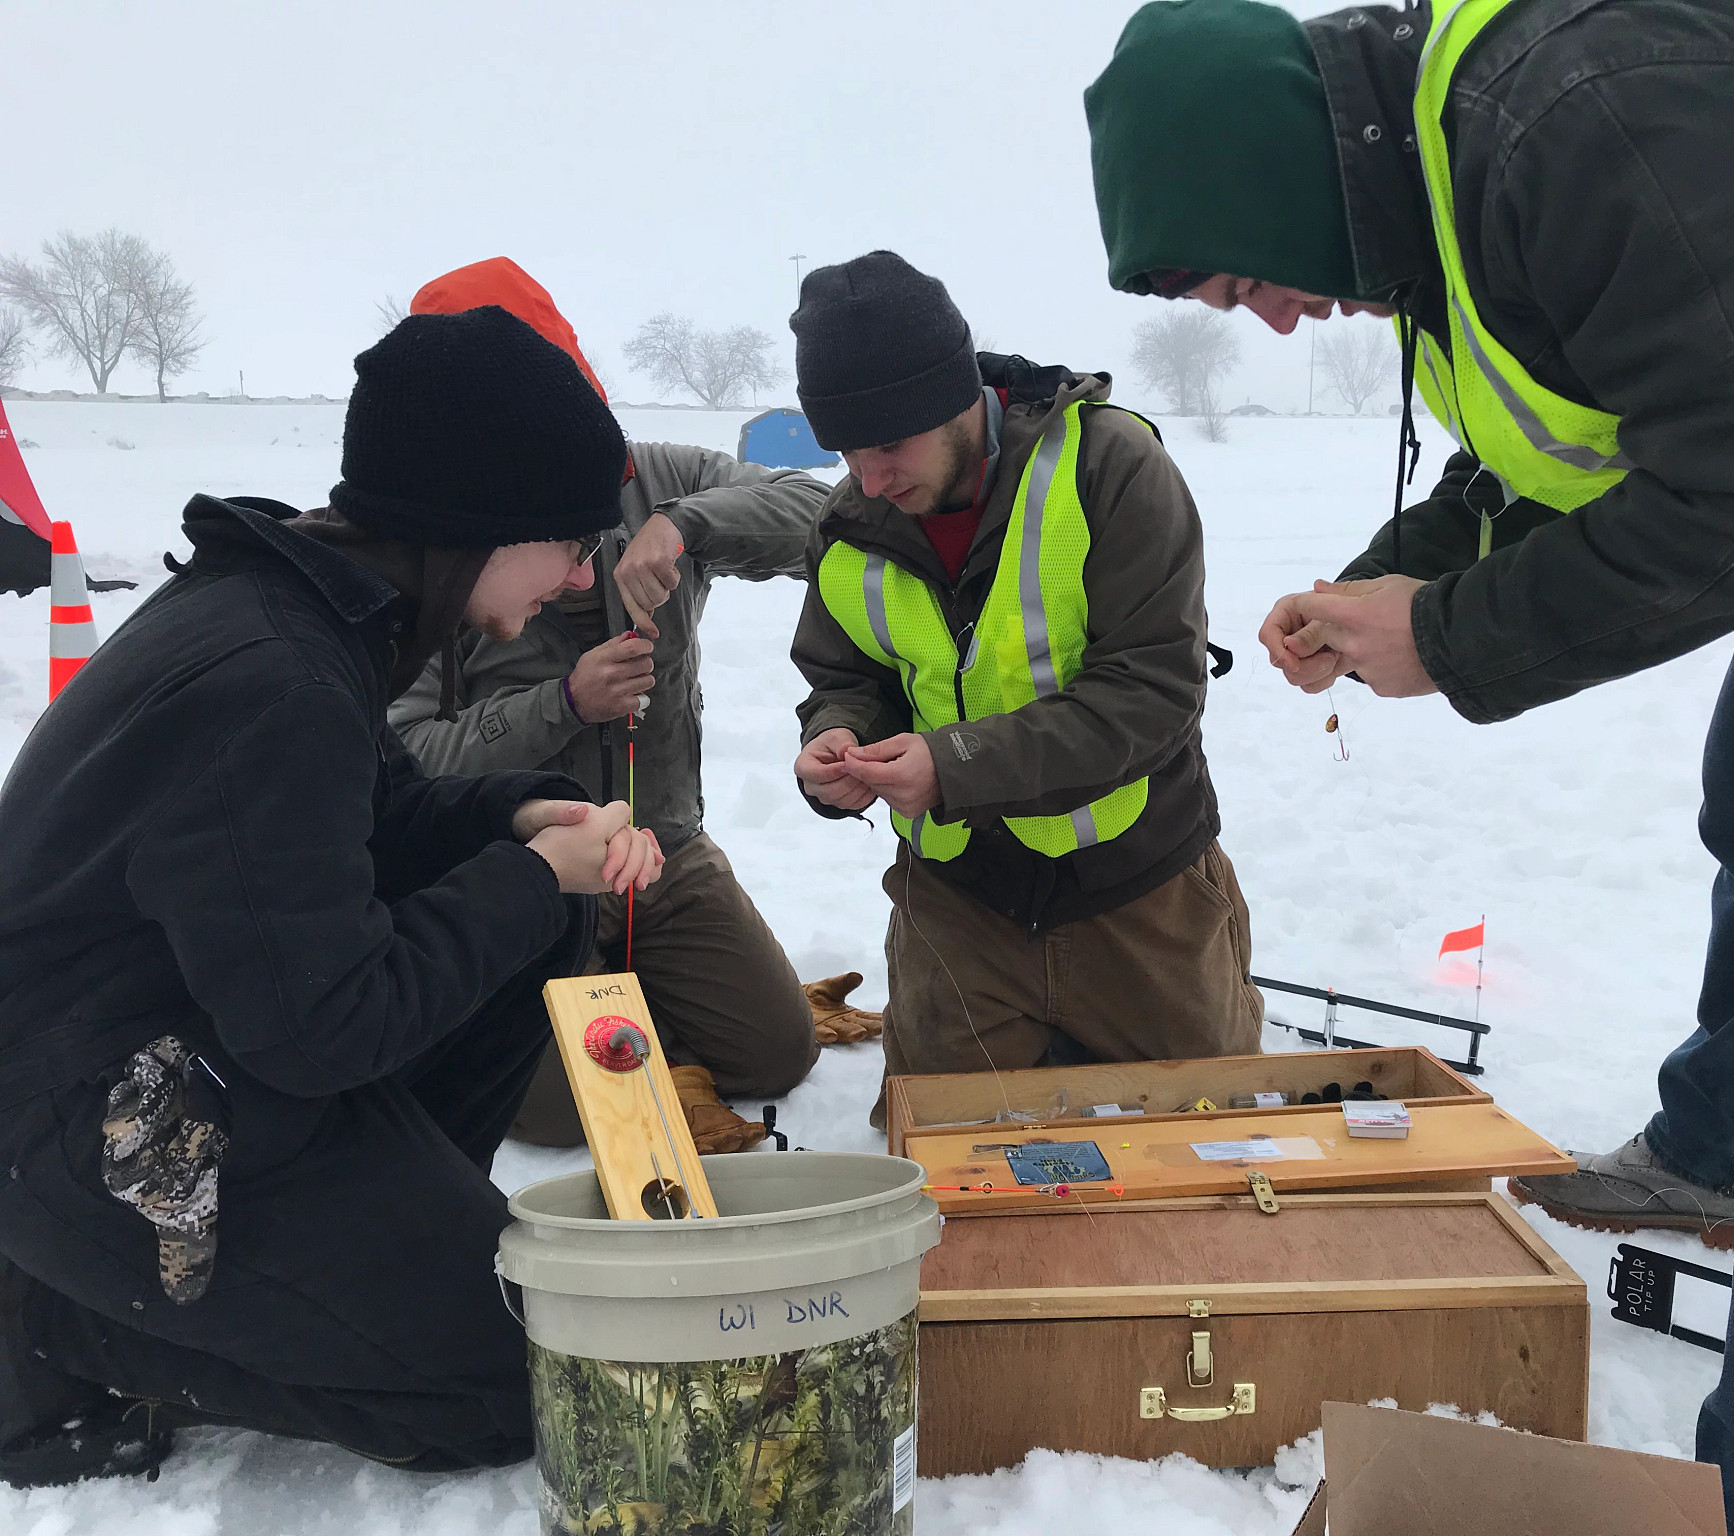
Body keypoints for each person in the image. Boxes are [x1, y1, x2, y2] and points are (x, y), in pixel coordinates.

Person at [1084, 0, 1734, 1530]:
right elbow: (1596, 441)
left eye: (1246, 281)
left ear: (1277, 178)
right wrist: (1397, 576)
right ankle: (1726, 1151)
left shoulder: (1595, 96)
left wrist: (1451, 636)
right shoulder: (1460, 208)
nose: (1269, 323)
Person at [0, 305, 662, 1486]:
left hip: (174, 1047)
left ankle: (376, 1242)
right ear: (475, 524)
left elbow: (370, 825)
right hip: (90, 1121)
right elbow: (324, 1028)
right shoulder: (275, 678)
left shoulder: (301, 617)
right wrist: (523, 878)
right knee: (519, 1379)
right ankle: (52, 1322)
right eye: (567, 541)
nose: (579, 575)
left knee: (537, 907)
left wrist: (516, 819)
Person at [388, 259, 870, 1156]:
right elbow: (409, 759)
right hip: (528, 868)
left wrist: (689, 524)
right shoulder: (432, 548)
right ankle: (627, 1020)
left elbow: (824, 515)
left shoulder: (653, 475)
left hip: (666, 850)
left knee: (777, 1053)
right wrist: (564, 703)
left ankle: (644, 1013)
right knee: (552, 1111)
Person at [786, 251, 1265, 1127]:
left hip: (1139, 890)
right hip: (956, 902)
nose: (870, 478)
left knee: (1208, 1136)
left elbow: (1154, 691)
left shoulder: (1108, 467)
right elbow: (846, 676)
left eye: (888, 445)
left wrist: (953, 765)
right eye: (847, 451)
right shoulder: (848, 523)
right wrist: (836, 733)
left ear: (958, 401)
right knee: (945, 1153)